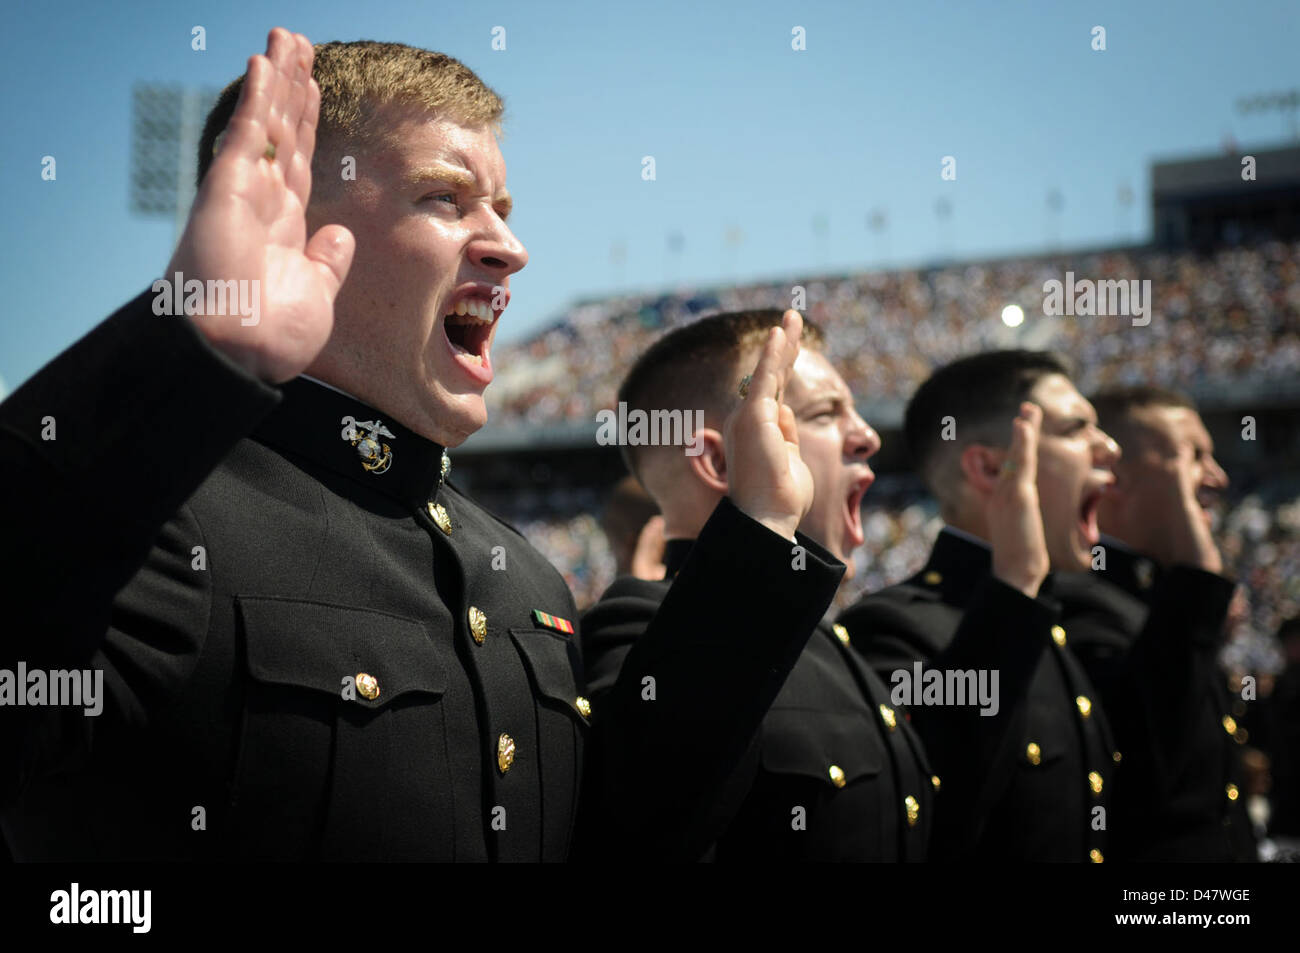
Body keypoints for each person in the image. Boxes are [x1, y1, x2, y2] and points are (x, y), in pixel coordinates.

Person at [0, 30, 843, 862]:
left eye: (504, 211)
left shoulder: (525, 580)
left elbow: (625, 837)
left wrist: (761, 531)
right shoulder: (170, 530)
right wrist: (186, 346)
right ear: (292, 222)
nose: (510, 248)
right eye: (445, 199)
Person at [583, 310, 934, 861]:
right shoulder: (639, 625)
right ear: (720, 459)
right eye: (824, 414)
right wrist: (762, 518)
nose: (867, 436)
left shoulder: (827, 642)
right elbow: (643, 818)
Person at [838, 350, 1117, 862]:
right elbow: (936, 819)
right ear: (989, 466)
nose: (1109, 449)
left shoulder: (1052, 622)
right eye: (1076, 429)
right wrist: (1013, 589)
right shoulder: (892, 627)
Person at [1052, 386, 1248, 860]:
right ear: (1114, 475)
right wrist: (1199, 581)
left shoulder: (1155, 597)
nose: (1217, 477)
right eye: (1193, 457)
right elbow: (1143, 776)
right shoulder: (1076, 604)